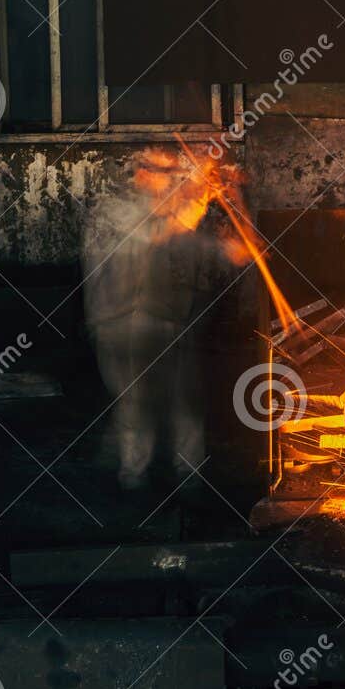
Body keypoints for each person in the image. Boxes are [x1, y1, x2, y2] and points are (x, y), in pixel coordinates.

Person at [81, 151, 249, 489]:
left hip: (168, 326)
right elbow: (158, 232)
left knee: (185, 403)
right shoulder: (115, 211)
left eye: (173, 171)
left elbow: (226, 252)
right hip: (118, 324)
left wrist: (235, 201)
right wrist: (202, 191)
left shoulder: (173, 216)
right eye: (163, 171)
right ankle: (133, 481)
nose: (172, 178)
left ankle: (190, 480)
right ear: (141, 173)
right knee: (135, 405)